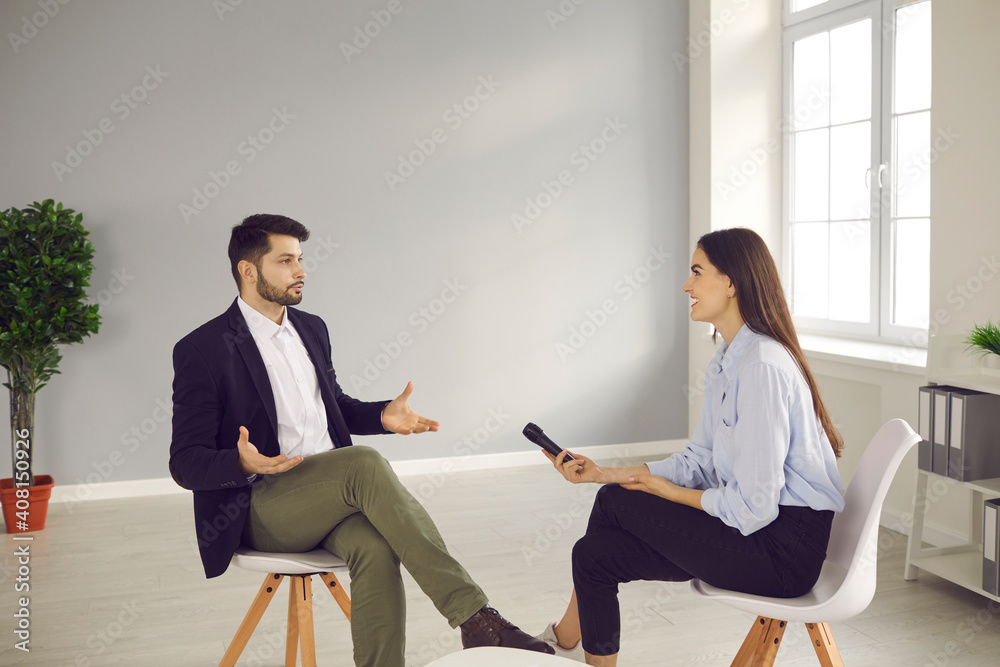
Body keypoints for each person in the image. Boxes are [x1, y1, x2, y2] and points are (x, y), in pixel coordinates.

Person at [169, 214, 553, 667]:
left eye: (301, 259)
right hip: (260, 506)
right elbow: (185, 462)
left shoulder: (311, 328)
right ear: (248, 270)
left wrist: (382, 416)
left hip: (327, 494)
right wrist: (243, 463)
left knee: (374, 546)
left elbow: (333, 405)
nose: (301, 271)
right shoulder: (203, 349)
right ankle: (476, 618)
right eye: (286, 260)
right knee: (362, 462)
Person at [535, 227, 846, 665]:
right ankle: (567, 644)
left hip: (781, 552)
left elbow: (755, 507)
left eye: (697, 273)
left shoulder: (761, 367)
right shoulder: (729, 360)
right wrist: (606, 472)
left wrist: (665, 491)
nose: (687, 286)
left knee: (614, 504)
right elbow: (699, 461)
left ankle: (562, 640)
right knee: (592, 554)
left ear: (732, 282)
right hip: (754, 533)